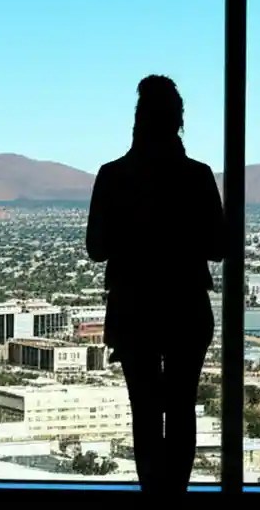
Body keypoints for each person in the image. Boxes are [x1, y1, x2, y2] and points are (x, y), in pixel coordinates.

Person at [86, 74, 224, 494]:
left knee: (145, 409)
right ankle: (175, 500)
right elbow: (218, 247)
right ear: (178, 121)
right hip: (185, 305)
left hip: (133, 308)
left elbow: (96, 247)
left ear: (137, 119)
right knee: (182, 407)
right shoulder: (197, 176)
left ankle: (153, 500)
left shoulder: (113, 176)